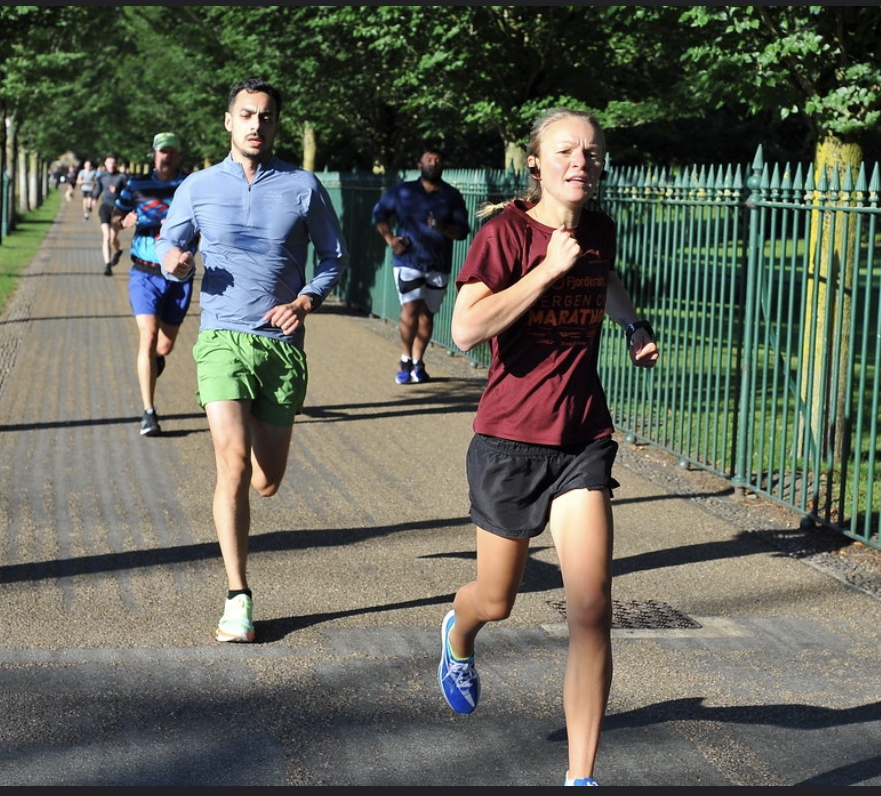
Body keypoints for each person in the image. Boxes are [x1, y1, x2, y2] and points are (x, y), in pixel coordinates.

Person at [437, 108, 659, 787]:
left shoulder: (599, 231)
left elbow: (605, 280)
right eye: (566, 151)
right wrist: (543, 273)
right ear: (535, 161)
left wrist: (632, 324)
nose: (581, 163)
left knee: (592, 611)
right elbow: (466, 328)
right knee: (496, 600)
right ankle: (459, 632)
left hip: (581, 440)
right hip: (508, 442)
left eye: (592, 153)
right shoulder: (503, 234)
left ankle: (580, 776)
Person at [156, 78, 349, 643]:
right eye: (247, 115)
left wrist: (306, 300)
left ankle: (242, 570)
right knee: (232, 465)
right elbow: (168, 247)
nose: (256, 125)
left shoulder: (302, 186)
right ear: (228, 122)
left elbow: (335, 259)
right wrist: (177, 262)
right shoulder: (196, 186)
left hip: (281, 344)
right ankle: (237, 596)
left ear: (275, 125)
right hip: (221, 338)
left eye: (265, 117)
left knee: (266, 481)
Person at [111, 132, 193, 437]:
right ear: (154, 154)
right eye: (162, 152)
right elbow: (116, 215)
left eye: (172, 152)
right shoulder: (135, 185)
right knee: (147, 337)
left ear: (178, 155)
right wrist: (124, 221)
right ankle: (149, 412)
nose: (166, 157)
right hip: (144, 272)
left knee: (164, 345)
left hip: (179, 276)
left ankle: (156, 360)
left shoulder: (190, 186)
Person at [372, 147, 470, 384]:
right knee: (410, 310)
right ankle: (405, 359)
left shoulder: (451, 195)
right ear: (419, 165)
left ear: (442, 166)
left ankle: (418, 361)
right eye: (429, 160)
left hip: (438, 263)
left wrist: (443, 228)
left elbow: (462, 231)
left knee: (427, 315)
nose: (433, 164)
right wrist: (390, 240)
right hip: (408, 261)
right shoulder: (403, 191)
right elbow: (379, 214)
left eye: (438, 160)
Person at [95, 153, 129, 275]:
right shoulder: (102, 176)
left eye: (114, 162)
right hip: (105, 207)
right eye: (109, 162)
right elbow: (98, 188)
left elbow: (128, 193)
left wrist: (118, 191)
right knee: (107, 236)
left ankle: (118, 250)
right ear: (105, 163)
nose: (111, 165)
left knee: (113, 238)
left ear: (116, 164)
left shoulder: (122, 177)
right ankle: (108, 265)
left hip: (118, 209)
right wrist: (94, 198)